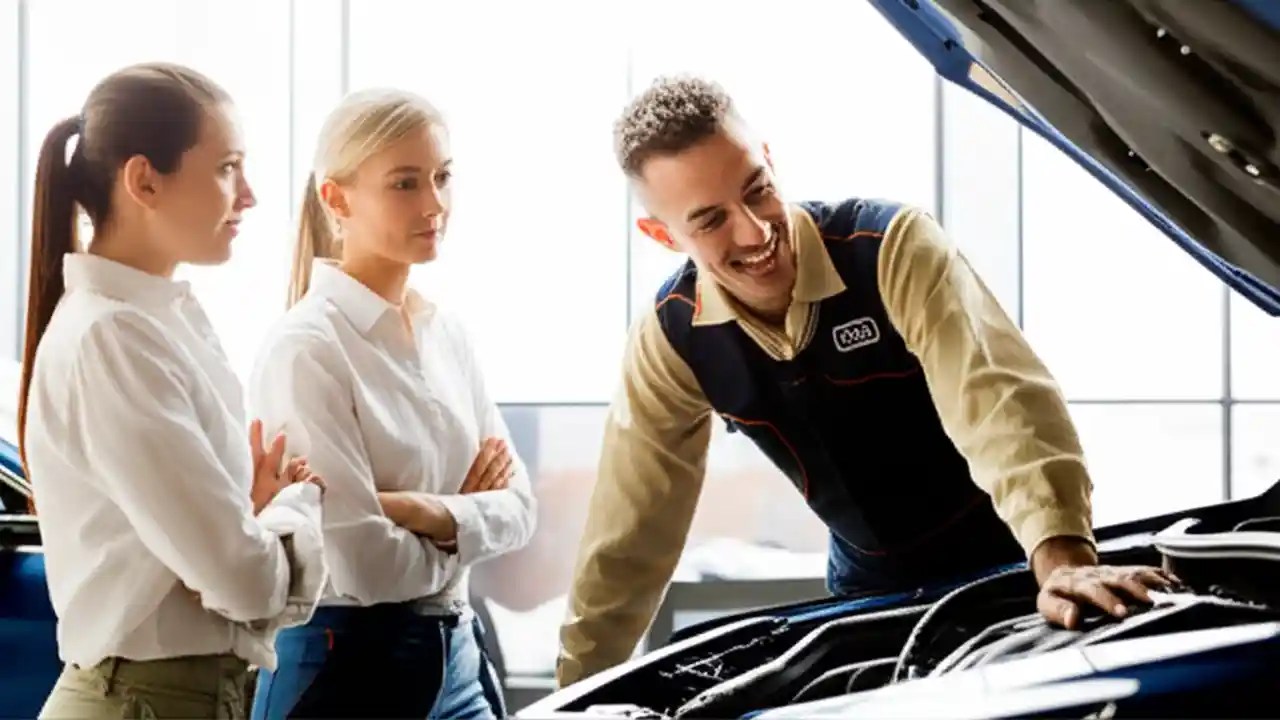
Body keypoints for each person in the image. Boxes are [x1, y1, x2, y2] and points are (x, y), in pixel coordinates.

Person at [557, 75, 1181, 687]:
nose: (753, 230)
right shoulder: (672, 335)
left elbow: (1001, 404)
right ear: (663, 235)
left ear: (770, 160)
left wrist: (1062, 563)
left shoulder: (889, 248)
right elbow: (630, 529)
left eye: (758, 189)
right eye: (711, 220)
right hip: (865, 592)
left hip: (1014, 560)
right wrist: (575, 695)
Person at [19, 62, 329, 719]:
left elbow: (223, 563)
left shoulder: (156, 323)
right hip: (145, 700)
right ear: (144, 180)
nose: (248, 195)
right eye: (227, 168)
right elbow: (244, 580)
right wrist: (294, 508)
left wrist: (242, 532)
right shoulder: (114, 339)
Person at [247, 87, 535, 719]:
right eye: (405, 183)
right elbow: (359, 564)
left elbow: (520, 509)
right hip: (343, 665)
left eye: (442, 177)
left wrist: (424, 511)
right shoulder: (307, 349)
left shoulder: (446, 334)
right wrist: (466, 522)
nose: (435, 203)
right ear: (337, 198)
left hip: (458, 658)